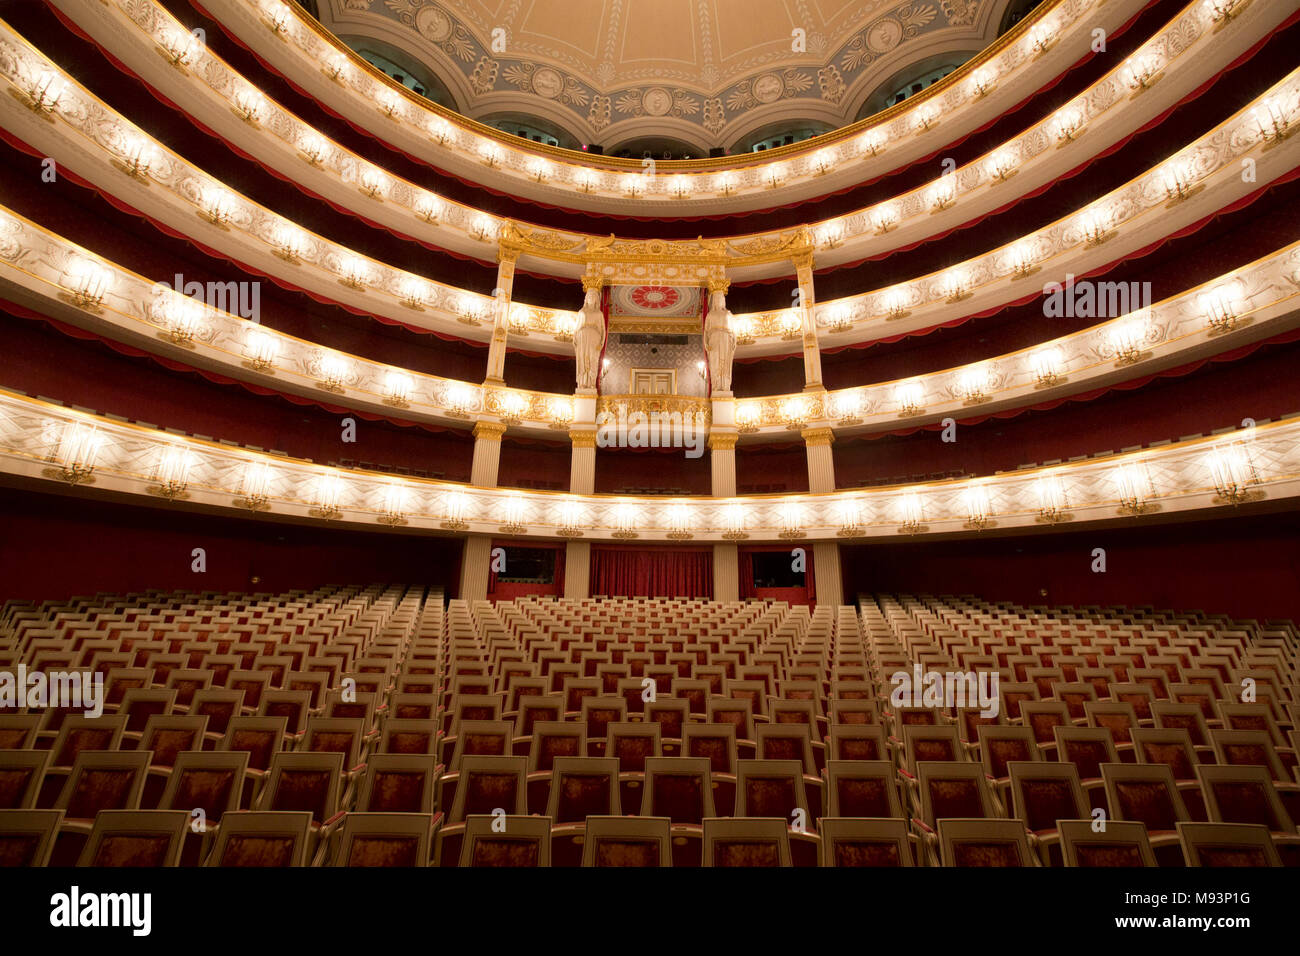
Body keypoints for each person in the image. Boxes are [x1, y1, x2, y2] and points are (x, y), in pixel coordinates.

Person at [703, 289, 735, 393]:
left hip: (726, 339)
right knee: (715, 361)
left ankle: (725, 385)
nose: (718, 300)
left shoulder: (728, 314)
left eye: (720, 298)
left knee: (725, 361)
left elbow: (733, 330)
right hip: (714, 339)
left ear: (723, 300)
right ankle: (716, 385)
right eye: (716, 298)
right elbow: (706, 331)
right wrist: (706, 343)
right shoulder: (710, 315)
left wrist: (734, 341)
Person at [575, 285, 605, 389]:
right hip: (582, 336)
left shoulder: (599, 313)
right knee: (582, 359)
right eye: (590, 296)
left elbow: (603, 330)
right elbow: (577, 327)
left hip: (594, 338)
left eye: (593, 296)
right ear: (586, 299)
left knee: (593, 359)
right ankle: (582, 382)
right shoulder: (581, 312)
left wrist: (601, 343)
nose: (591, 298)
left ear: (596, 299)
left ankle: (591, 383)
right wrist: (575, 338)